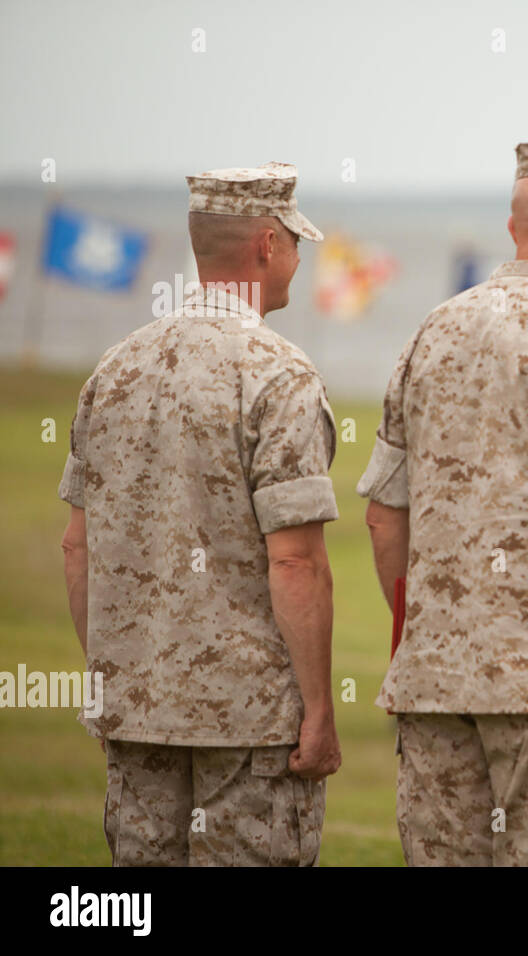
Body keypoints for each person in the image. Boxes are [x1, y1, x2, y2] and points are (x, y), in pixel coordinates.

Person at [358, 139, 528, 866]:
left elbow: (384, 513)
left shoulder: (433, 329)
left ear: (516, 228)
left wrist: (420, 643)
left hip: (433, 693)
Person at [58, 162, 341, 866]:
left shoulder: (114, 370)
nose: (300, 262)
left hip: (138, 712)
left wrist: (113, 681)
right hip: (249, 727)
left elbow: (76, 547)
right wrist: (319, 711)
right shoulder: (280, 376)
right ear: (268, 243)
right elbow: (296, 560)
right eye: (297, 244)